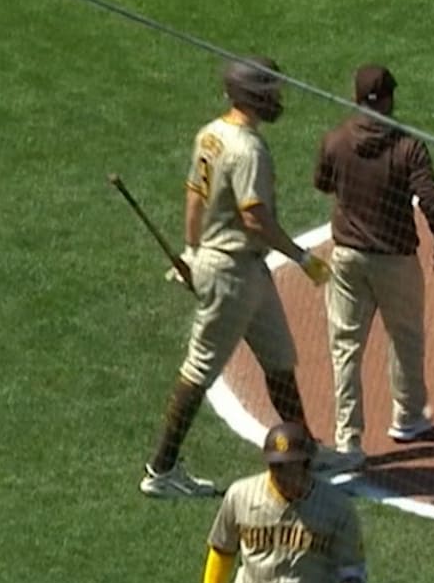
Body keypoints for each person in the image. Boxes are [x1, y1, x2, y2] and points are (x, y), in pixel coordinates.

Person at [140, 56, 335, 499]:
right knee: (200, 366)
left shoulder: (211, 134)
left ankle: (305, 450)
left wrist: (191, 250)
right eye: (270, 91)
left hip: (242, 269)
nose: (276, 98)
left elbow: (195, 194)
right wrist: (301, 257)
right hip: (233, 270)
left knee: (280, 356)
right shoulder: (249, 149)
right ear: (254, 96)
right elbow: (255, 218)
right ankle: (161, 468)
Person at [313, 65, 434, 472]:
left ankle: (348, 439)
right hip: (395, 259)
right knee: (405, 336)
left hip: (347, 259)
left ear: (356, 98)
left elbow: (323, 183)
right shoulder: (408, 148)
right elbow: (431, 199)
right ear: (391, 98)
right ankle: (407, 416)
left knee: (346, 348)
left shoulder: (335, 141)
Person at [187, 422, 368, 583]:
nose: (280, 475)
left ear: (307, 465)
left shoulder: (337, 509)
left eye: (288, 467)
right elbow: (222, 549)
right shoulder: (241, 496)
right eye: (274, 466)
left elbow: (352, 577)